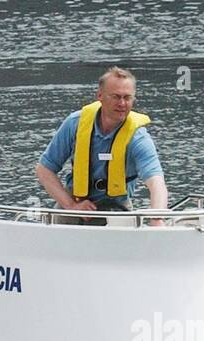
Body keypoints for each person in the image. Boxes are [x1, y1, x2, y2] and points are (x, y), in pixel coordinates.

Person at [35, 67, 168, 225]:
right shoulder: (75, 124)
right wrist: (71, 205)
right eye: (116, 97)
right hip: (73, 203)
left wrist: (157, 219)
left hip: (117, 208)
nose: (122, 103)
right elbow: (44, 169)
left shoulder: (138, 138)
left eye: (127, 97)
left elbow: (156, 183)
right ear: (100, 96)